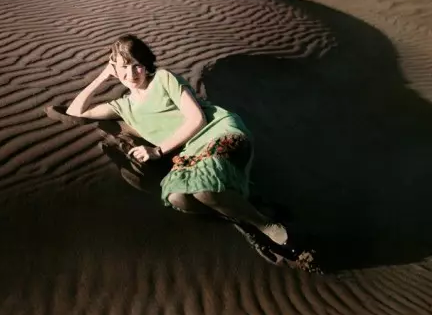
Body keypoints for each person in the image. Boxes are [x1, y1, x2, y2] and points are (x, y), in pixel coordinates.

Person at [65, 34, 289, 248]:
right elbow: (75, 111)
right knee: (177, 196)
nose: (131, 73)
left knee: (202, 188)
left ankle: (264, 223)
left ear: (146, 64)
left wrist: (157, 151)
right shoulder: (123, 106)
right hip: (191, 151)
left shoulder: (163, 79)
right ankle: (237, 207)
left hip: (218, 132)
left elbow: (197, 118)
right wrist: (103, 75)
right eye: (123, 66)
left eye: (137, 65)